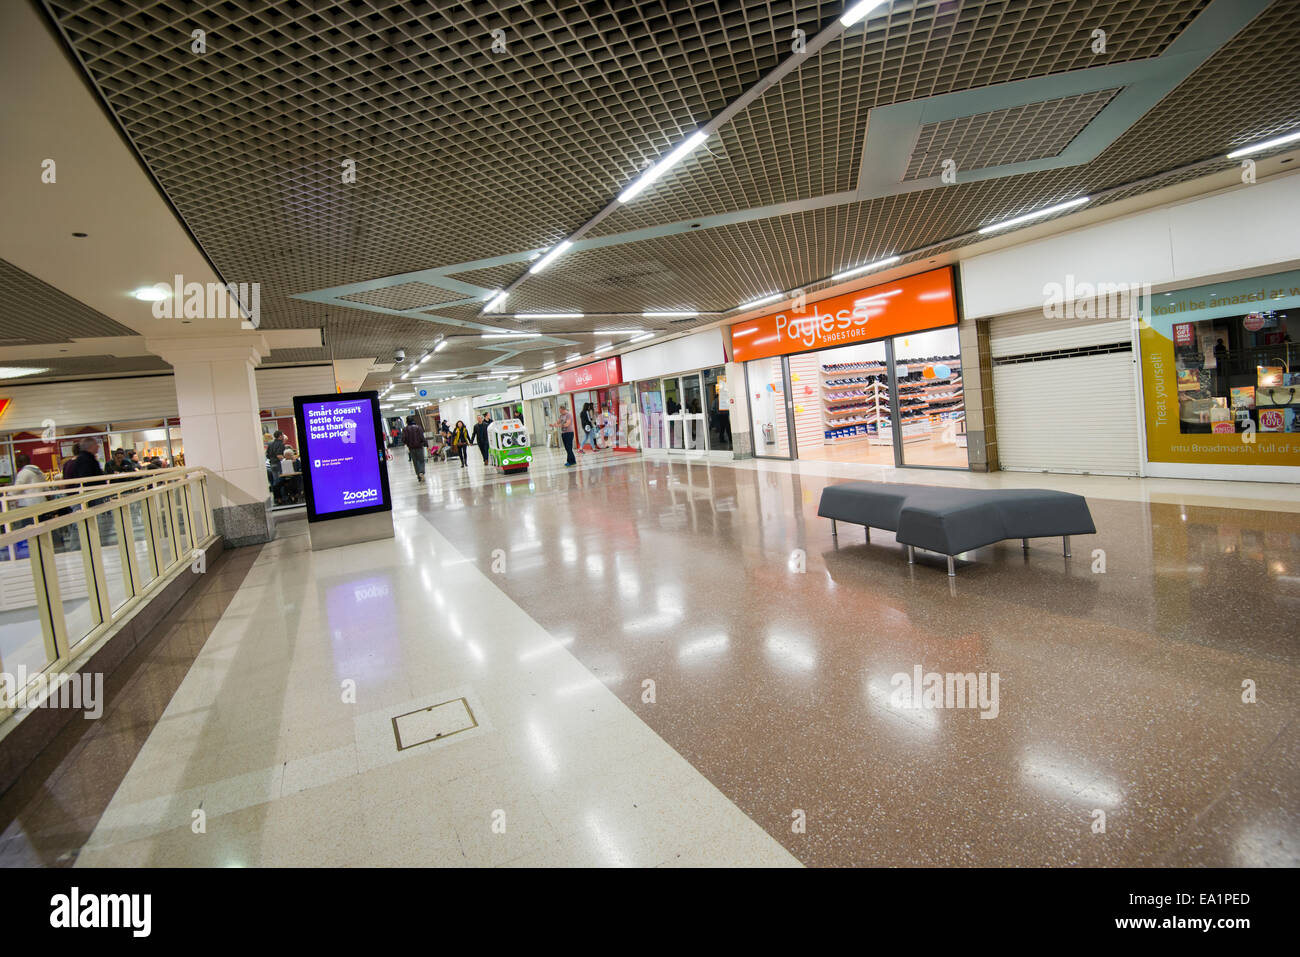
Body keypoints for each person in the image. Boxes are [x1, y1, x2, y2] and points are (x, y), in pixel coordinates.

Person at [12, 453, 48, 529]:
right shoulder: (39, 472)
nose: (16, 464)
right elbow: (46, 488)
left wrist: (7, 494)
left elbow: (15, 490)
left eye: (17, 462)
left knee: (30, 530)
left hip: (28, 506)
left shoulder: (23, 473)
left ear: (22, 462)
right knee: (42, 529)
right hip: (41, 504)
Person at [401, 414, 428, 483]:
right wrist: (425, 444)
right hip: (419, 447)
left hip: (411, 448)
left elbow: (403, 439)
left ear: (407, 421)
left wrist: (407, 443)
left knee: (415, 462)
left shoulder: (405, 429)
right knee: (421, 460)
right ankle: (421, 472)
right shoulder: (418, 427)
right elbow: (422, 437)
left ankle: (418, 475)